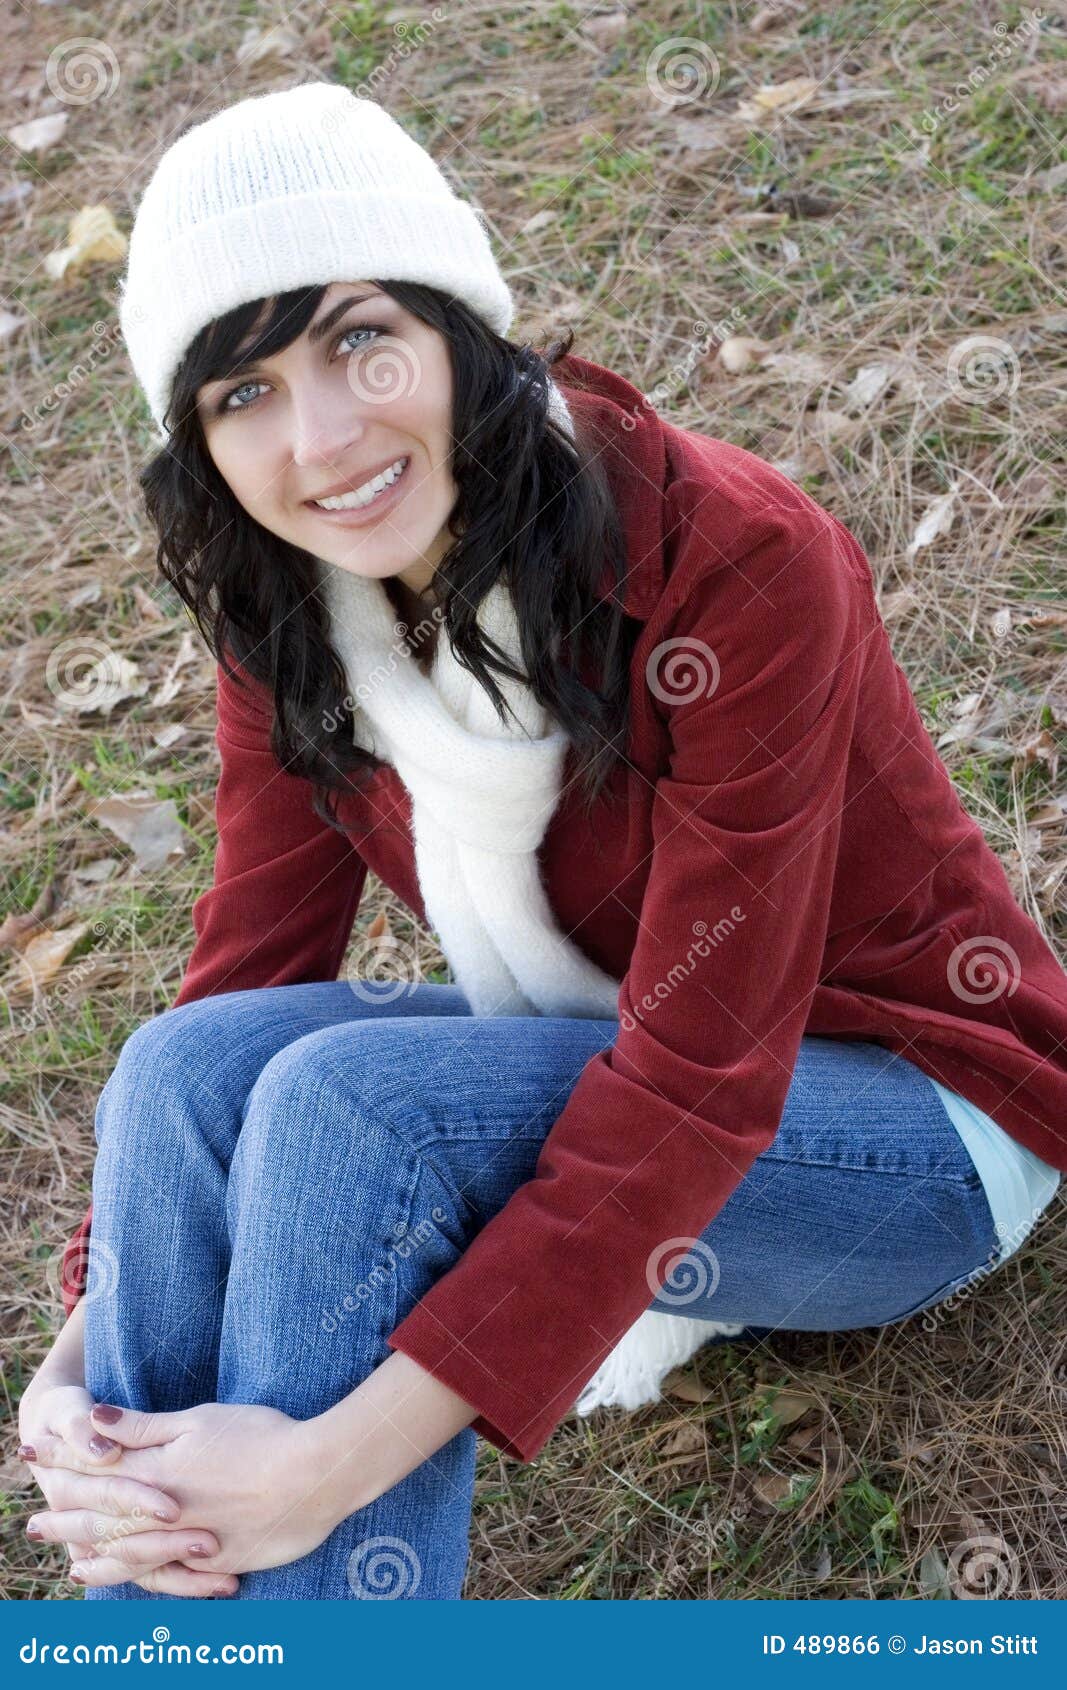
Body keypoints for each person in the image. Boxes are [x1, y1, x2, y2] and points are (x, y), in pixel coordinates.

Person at [17, 81, 1065, 1602]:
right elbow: (235, 987)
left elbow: (702, 1089)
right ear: (198, 442)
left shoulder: (736, 560)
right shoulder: (296, 611)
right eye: (241, 393)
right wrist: (74, 1381)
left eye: (359, 337)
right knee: (181, 1076)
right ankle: (160, 1607)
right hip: (624, 1063)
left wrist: (321, 1470)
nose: (320, 438)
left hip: (914, 1125)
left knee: (355, 1110)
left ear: (460, 330)